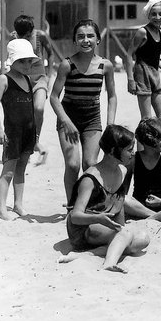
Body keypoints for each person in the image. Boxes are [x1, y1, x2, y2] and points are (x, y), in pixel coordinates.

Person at [61, 125, 151, 272]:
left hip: (104, 225)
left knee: (142, 239)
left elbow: (118, 203)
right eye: (129, 150)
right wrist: (99, 219)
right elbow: (75, 216)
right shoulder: (90, 178)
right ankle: (109, 263)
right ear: (112, 151)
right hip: (84, 229)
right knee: (125, 235)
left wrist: (120, 228)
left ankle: (88, 255)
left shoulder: (122, 171)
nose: (132, 153)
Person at [50, 19, 117, 201]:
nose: (85, 40)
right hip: (68, 117)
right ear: (74, 41)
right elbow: (54, 97)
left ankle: (86, 202)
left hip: (92, 119)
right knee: (72, 164)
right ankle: (72, 204)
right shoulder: (67, 64)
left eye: (90, 36)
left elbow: (111, 96)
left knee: (90, 163)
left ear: (98, 40)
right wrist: (66, 122)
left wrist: (110, 124)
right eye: (80, 37)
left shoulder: (106, 66)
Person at [0, 39, 44, 220]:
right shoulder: (4, 79)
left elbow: (31, 110)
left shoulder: (28, 80)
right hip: (12, 133)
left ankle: (18, 204)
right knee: (8, 170)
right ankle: (1, 207)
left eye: (29, 61)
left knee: (21, 168)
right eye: (22, 61)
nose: (27, 64)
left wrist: (35, 137)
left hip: (27, 132)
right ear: (12, 60)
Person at [12, 14, 55, 163]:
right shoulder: (15, 39)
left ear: (32, 30)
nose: (25, 37)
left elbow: (50, 54)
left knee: (39, 108)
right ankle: (24, 146)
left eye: (28, 34)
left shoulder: (40, 36)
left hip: (40, 78)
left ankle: (36, 140)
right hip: (23, 80)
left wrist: (49, 76)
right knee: (23, 115)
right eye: (21, 35)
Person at [125, 0, 161, 122]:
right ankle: (142, 141)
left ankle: (154, 140)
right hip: (142, 74)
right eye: (154, 14)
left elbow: (153, 56)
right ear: (148, 15)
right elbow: (129, 55)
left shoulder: (160, 32)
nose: (157, 17)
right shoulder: (142, 32)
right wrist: (130, 80)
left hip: (155, 74)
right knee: (146, 118)